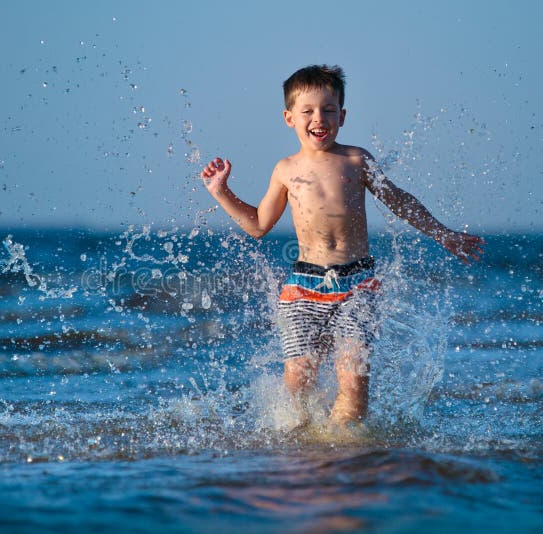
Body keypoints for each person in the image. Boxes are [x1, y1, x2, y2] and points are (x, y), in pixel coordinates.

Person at [200, 65, 484, 426]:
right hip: (303, 289)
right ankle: (304, 444)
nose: (319, 118)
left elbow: (400, 201)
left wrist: (444, 234)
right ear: (289, 118)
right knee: (298, 380)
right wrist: (222, 192)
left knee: (353, 380)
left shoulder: (356, 160)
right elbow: (258, 225)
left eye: (328, 110)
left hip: (357, 285)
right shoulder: (285, 169)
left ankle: (344, 448)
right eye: (308, 111)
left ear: (343, 116)